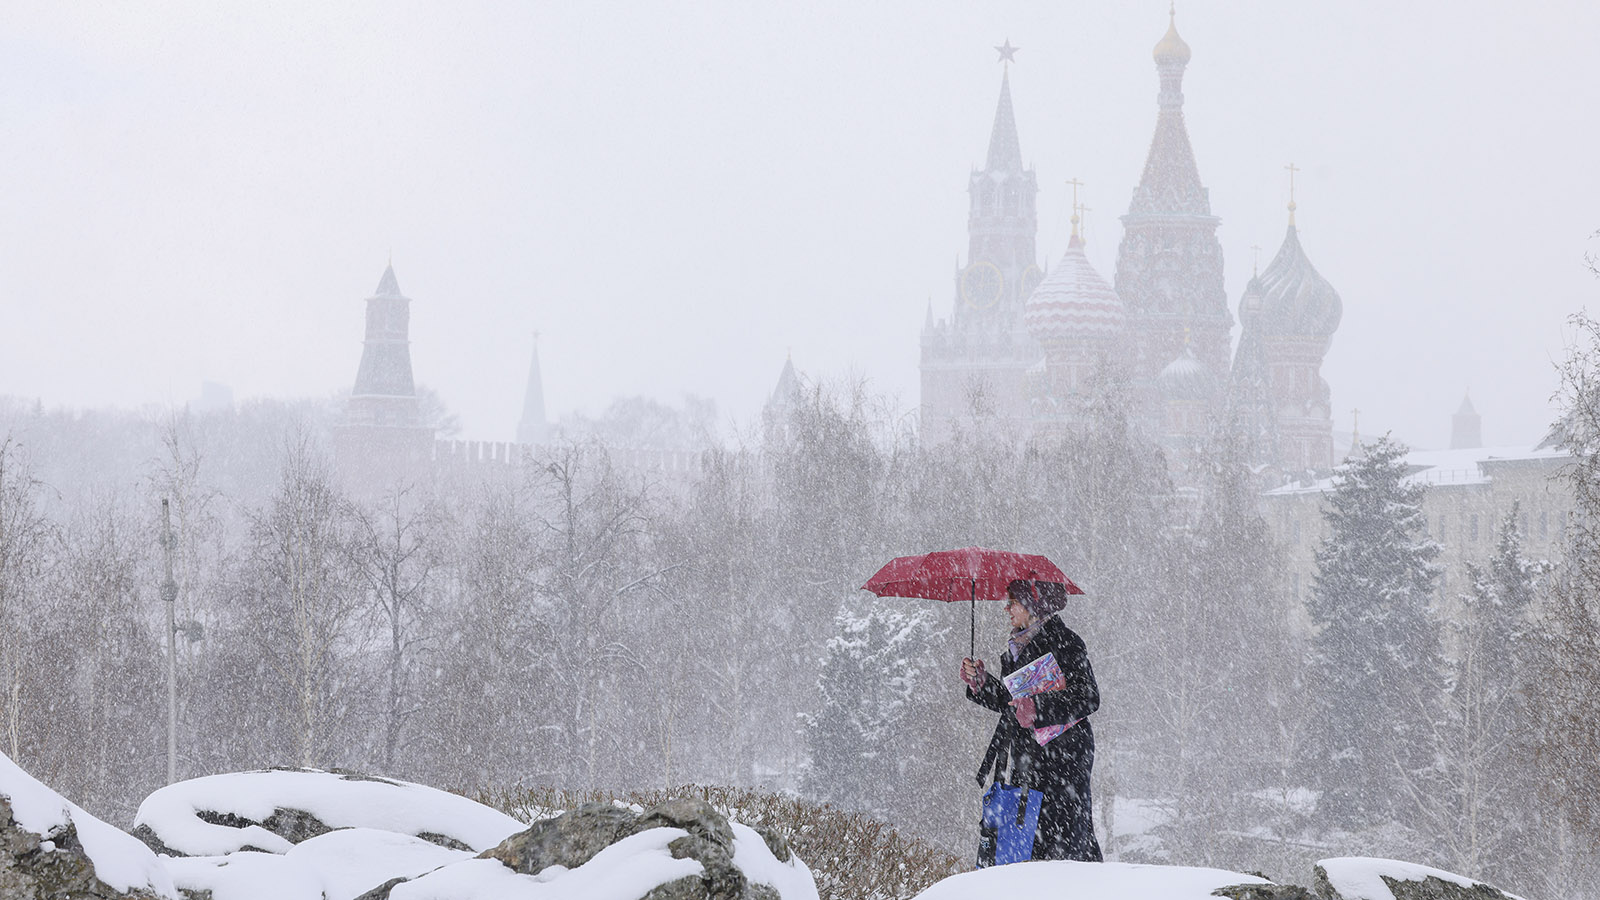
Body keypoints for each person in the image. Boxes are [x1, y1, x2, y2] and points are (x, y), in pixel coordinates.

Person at [961, 578, 1102, 862]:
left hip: (1064, 759)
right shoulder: (1017, 648)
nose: (1007, 609)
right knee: (1026, 840)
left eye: (1013, 602)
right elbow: (1011, 703)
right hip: (1028, 758)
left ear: (1034, 607)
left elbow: (1088, 697)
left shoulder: (1066, 642)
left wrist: (1037, 708)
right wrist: (981, 683)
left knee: (1065, 841)